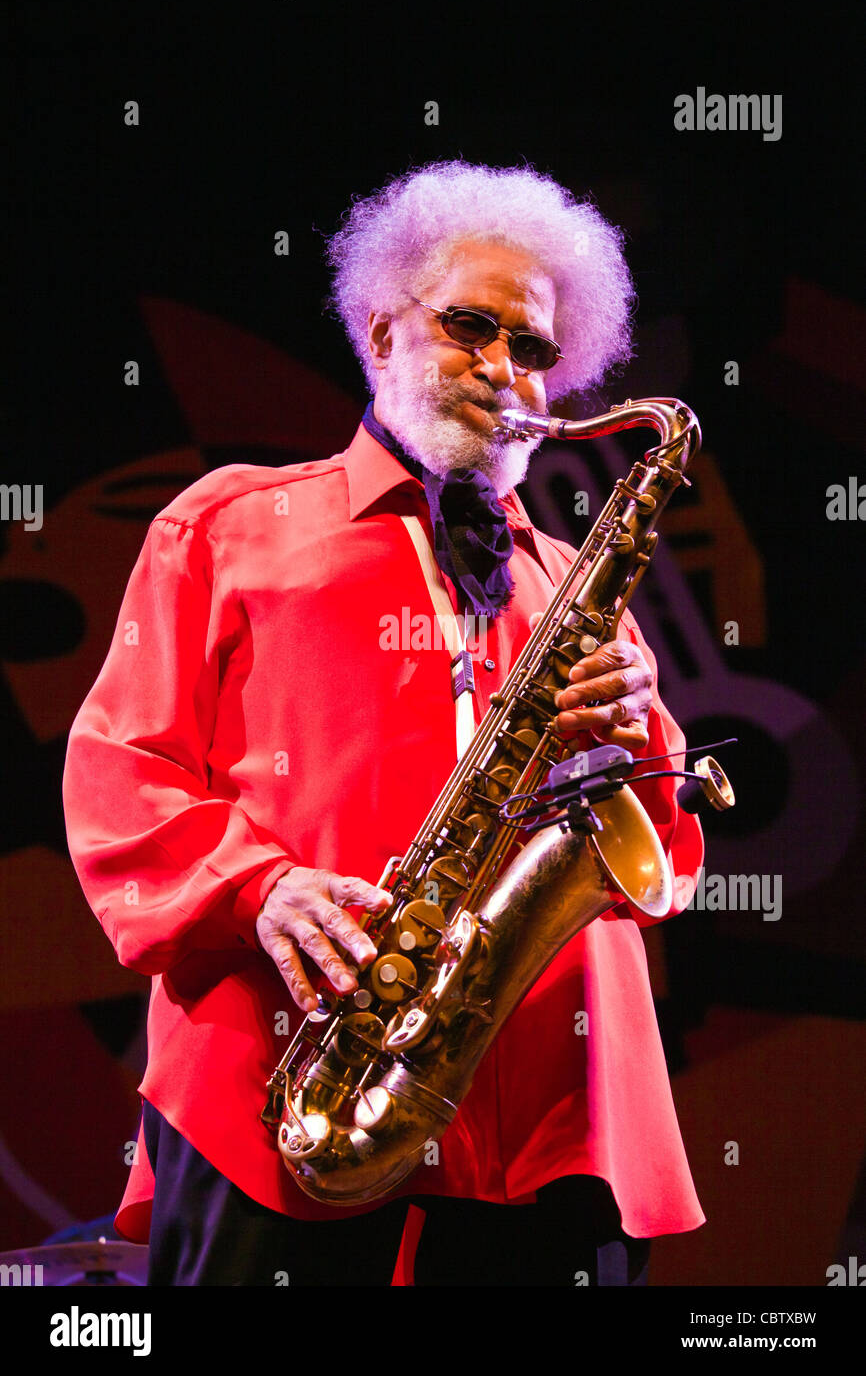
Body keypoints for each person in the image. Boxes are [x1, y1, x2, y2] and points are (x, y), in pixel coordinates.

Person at [62, 160, 705, 1286]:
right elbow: (122, 770)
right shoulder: (226, 525)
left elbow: (654, 862)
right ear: (377, 329)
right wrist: (259, 887)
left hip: (558, 1123)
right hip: (291, 1088)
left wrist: (631, 741)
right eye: (470, 325)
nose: (504, 367)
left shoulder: (576, 583)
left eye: (535, 348)